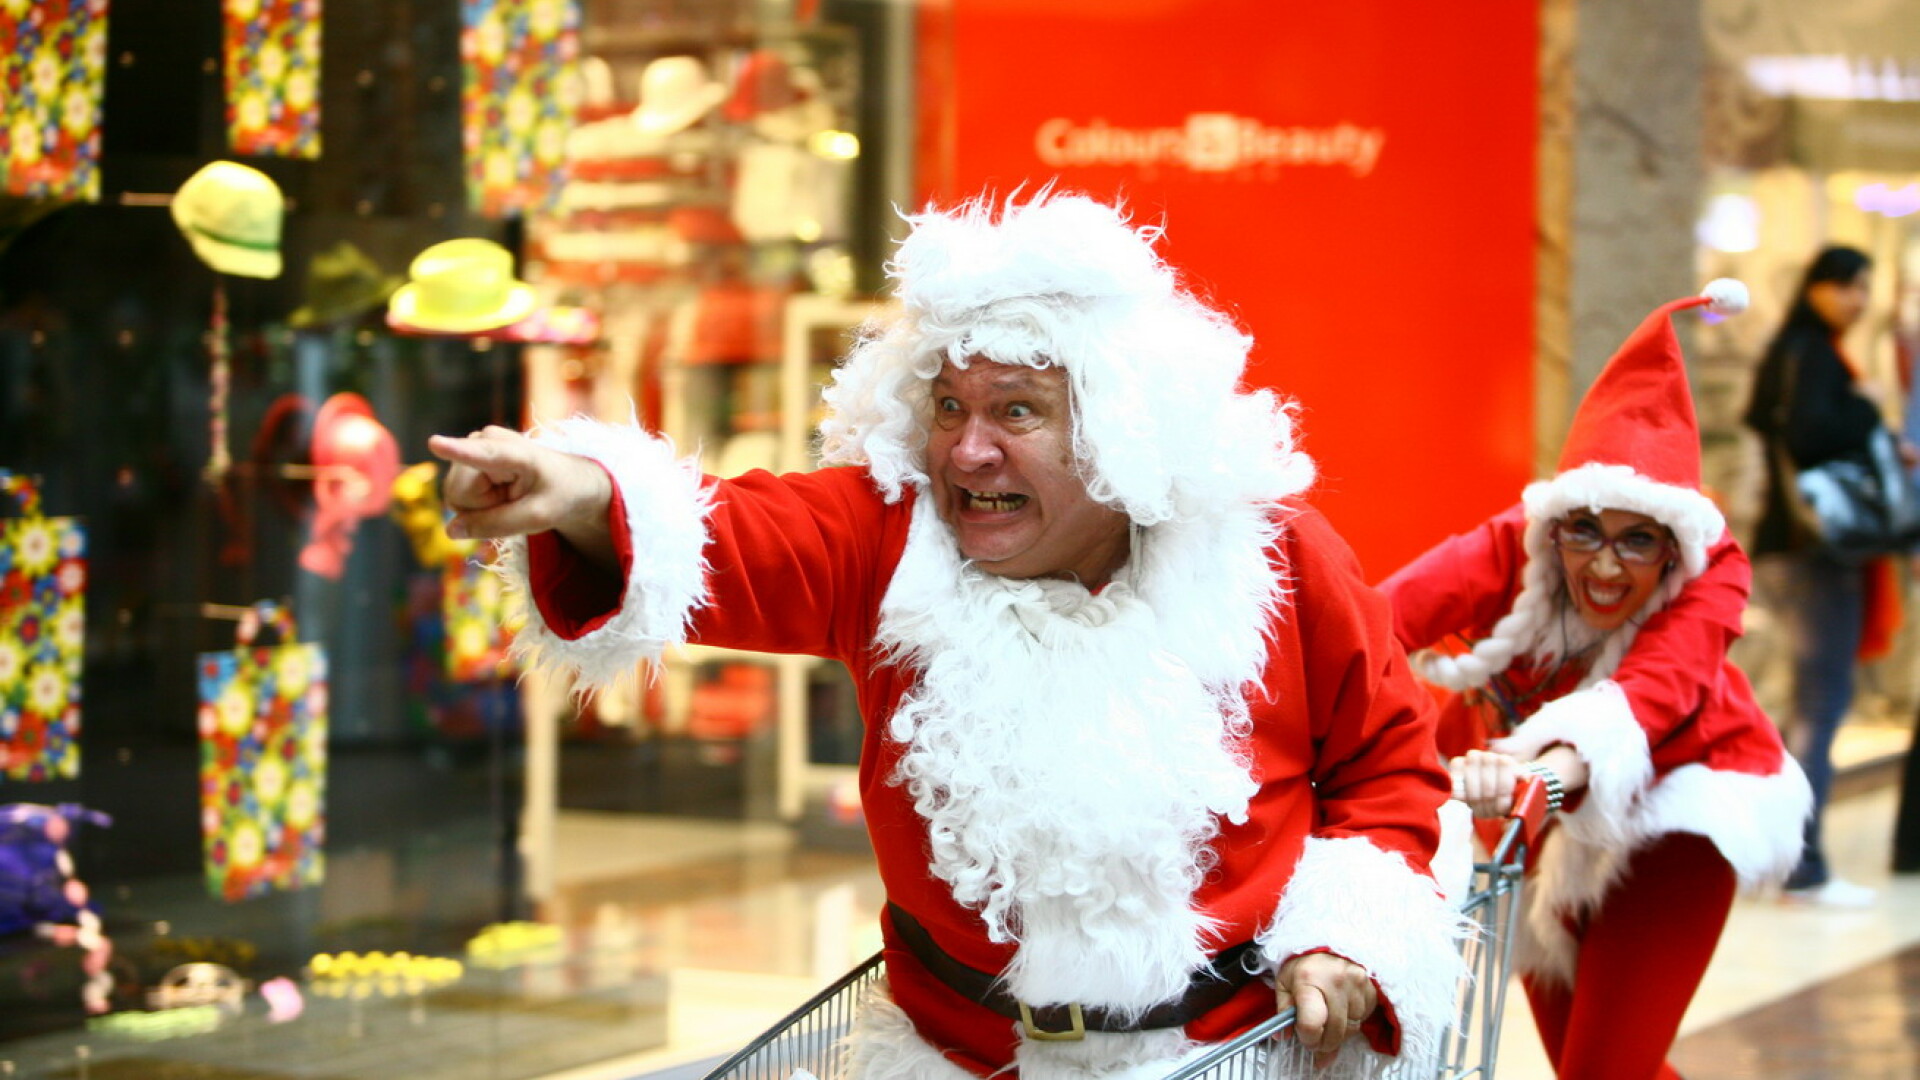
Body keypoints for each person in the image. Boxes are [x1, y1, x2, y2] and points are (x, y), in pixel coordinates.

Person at [431, 192, 1466, 1079]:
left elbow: (1387, 771)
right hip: (960, 1053)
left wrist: (1345, 941)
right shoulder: (889, 539)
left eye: (1018, 410)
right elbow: (722, 530)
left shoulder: (1277, 559)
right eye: (946, 406)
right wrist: (574, 486)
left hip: (1223, 1051)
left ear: (1122, 426)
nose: (967, 451)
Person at [1380, 282, 1811, 1080]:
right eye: (1585, 532)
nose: (1606, 567)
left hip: (1678, 808)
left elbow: (1648, 696)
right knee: (1604, 1064)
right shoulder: (1518, 542)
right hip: (1540, 820)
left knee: (1603, 1071)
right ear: (1557, 522)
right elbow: (1377, 622)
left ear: (1672, 544)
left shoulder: (1714, 571)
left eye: (1637, 541)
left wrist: (1537, 772)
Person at [1741, 244, 1907, 906]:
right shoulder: (1811, 352)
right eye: (1846, 287)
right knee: (1820, 703)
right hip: (1815, 551)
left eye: (1863, 288)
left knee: (1812, 701)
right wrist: (1868, 409)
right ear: (1816, 287)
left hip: (1792, 547)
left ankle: (1777, 850)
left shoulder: (1793, 348)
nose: (1856, 300)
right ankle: (1801, 865)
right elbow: (1810, 433)